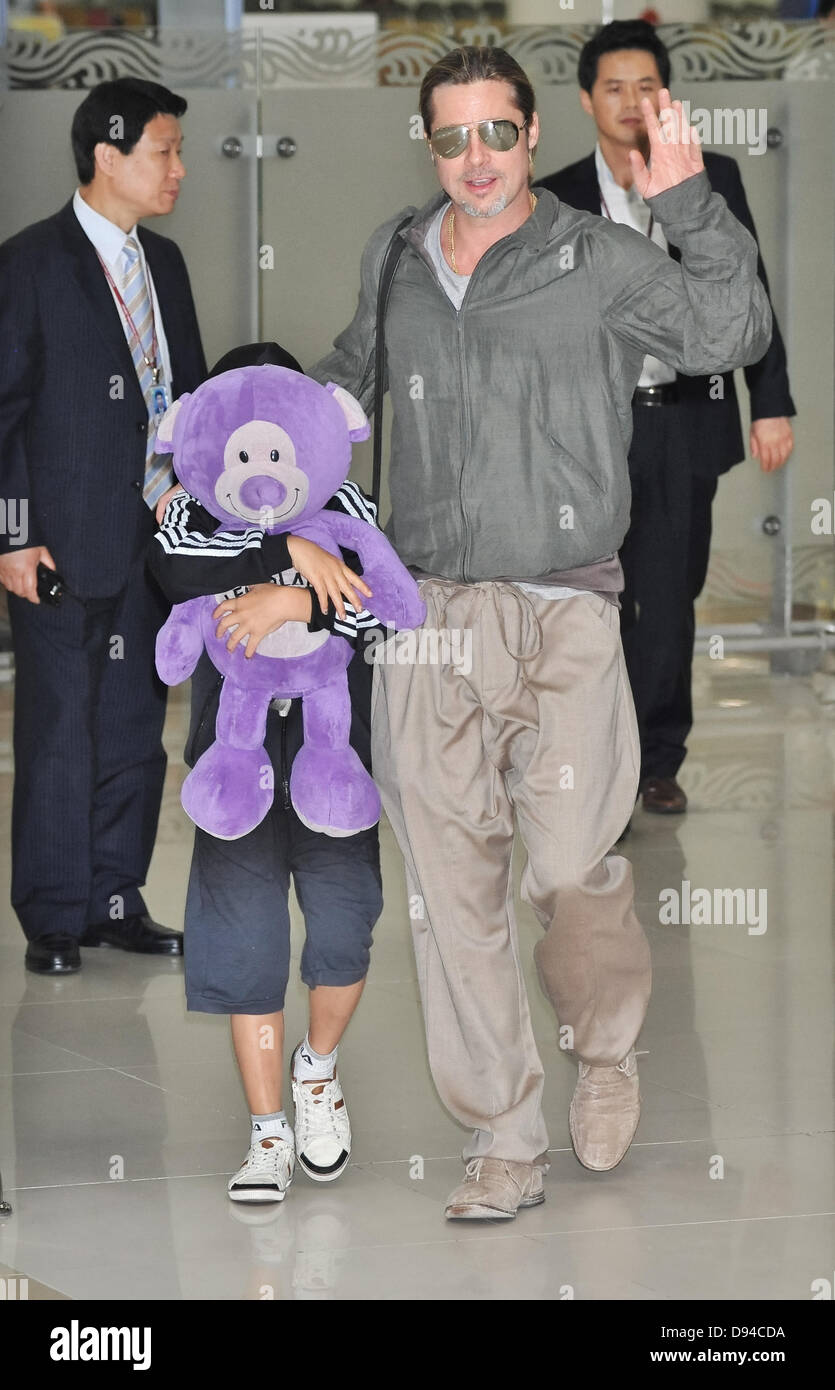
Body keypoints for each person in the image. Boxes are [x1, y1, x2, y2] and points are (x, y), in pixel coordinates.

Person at [306, 44, 772, 1220]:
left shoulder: (594, 255)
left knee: (567, 871)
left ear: (528, 135)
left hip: (564, 608)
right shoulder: (397, 256)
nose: (475, 160)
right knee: (451, 894)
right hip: (425, 618)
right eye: (452, 137)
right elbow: (346, 382)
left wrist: (686, 204)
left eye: (496, 135)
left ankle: (604, 1046)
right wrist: (254, 461)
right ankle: (502, 1135)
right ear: (430, 143)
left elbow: (730, 329)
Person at [148, 342, 388, 1203]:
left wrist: (302, 596)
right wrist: (285, 550)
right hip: (233, 758)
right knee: (244, 937)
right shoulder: (195, 507)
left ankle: (315, 1073)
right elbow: (169, 568)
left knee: (342, 924)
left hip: (333, 755)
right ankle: (266, 1131)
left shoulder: (343, 498)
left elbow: (379, 609)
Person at [537, 20, 795, 815]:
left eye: (644, 86)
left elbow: (742, 292)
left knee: (669, 595)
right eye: (612, 87)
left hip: (684, 417)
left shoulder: (707, 177)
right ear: (586, 98)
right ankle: (600, 761)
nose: (628, 102)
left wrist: (770, 401)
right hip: (591, 431)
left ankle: (657, 759)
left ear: (665, 97)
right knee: (592, 598)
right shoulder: (557, 195)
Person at [0, 78, 206, 974]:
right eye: (164, 151)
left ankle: (115, 896)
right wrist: (10, 535)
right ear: (107, 156)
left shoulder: (164, 263)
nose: (178, 169)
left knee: (133, 723)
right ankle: (52, 912)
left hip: (150, 539)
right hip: (55, 543)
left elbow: (187, 401)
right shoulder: (30, 263)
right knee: (56, 728)